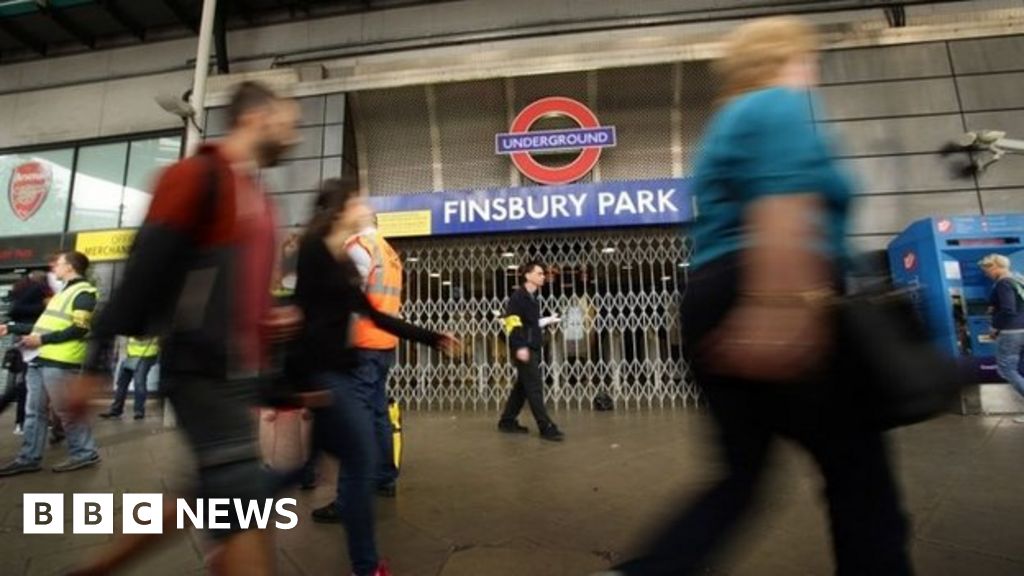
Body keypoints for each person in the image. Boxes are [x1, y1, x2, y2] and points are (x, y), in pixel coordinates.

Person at [605, 17, 912, 575]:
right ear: (785, 59)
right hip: (773, 288)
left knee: (739, 481)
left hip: (715, 295)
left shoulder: (725, 123)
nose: (812, 69)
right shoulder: (774, 105)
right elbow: (785, 200)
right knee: (862, 485)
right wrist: (779, 307)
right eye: (807, 59)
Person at [66, 80, 302, 576]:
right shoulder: (198, 177)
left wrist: (272, 339)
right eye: (289, 122)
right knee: (240, 505)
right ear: (257, 117)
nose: (295, 135)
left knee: (209, 495)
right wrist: (95, 362)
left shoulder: (259, 197)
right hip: (201, 373)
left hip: (236, 378)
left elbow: (242, 299)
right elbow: (143, 270)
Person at [293, 183, 458, 576]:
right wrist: (300, 383)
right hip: (346, 362)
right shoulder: (367, 251)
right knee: (368, 427)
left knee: (360, 437)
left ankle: (365, 559)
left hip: (357, 353)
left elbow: (366, 310)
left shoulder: (355, 253)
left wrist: (432, 337)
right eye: (356, 199)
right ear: (341, 210)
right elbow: (310, 315)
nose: (363, 204)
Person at [0, 251, 101, 476]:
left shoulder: (84, 293)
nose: (54, 267)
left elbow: (80, 329)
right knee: (34, 411)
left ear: (71, 267)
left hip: (61, 361)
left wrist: (41, 339)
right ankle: (29, 458)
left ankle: (85, 452)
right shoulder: (62, 292)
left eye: (59, 263)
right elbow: (45, 327)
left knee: (65, 410)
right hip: (40, 358)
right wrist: (12, 328)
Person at [497, 259, 564, 441]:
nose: (543, 277)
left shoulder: (532, 299)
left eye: (544, 274)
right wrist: (520, 347)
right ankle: (546, 426)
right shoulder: (519, 297)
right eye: (539, 273)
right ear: (528, 275)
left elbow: (530, 324)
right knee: (534, 386)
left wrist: (547, 320)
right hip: (524, 349)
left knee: (522, 387)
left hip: (531, 347)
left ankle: (507, 421)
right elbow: (512, 322)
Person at [1, 270, 52, 434]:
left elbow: (15, 310)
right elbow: (17, 310)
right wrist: (43, 306)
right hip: (31, 338)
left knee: (24, 380)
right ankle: (23, 421)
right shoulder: (37, 290)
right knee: (26, 381)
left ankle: (23, 421)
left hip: (26, 335)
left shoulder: (23, 288)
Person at [979, 254, 1024, 423]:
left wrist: (995, 326)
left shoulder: (1003, 283)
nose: (986, 274)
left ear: (995, 267)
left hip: (1012, 332)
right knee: (1021, 368)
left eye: (987, 270)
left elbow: (1008, 309)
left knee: (1007, 369)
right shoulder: (1018, 279)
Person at [99, 336, 159, 420]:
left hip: (146, 354)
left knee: (139, 383)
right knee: (122, 382)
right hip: (130, 355)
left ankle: (139, 411)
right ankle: (115, 410)